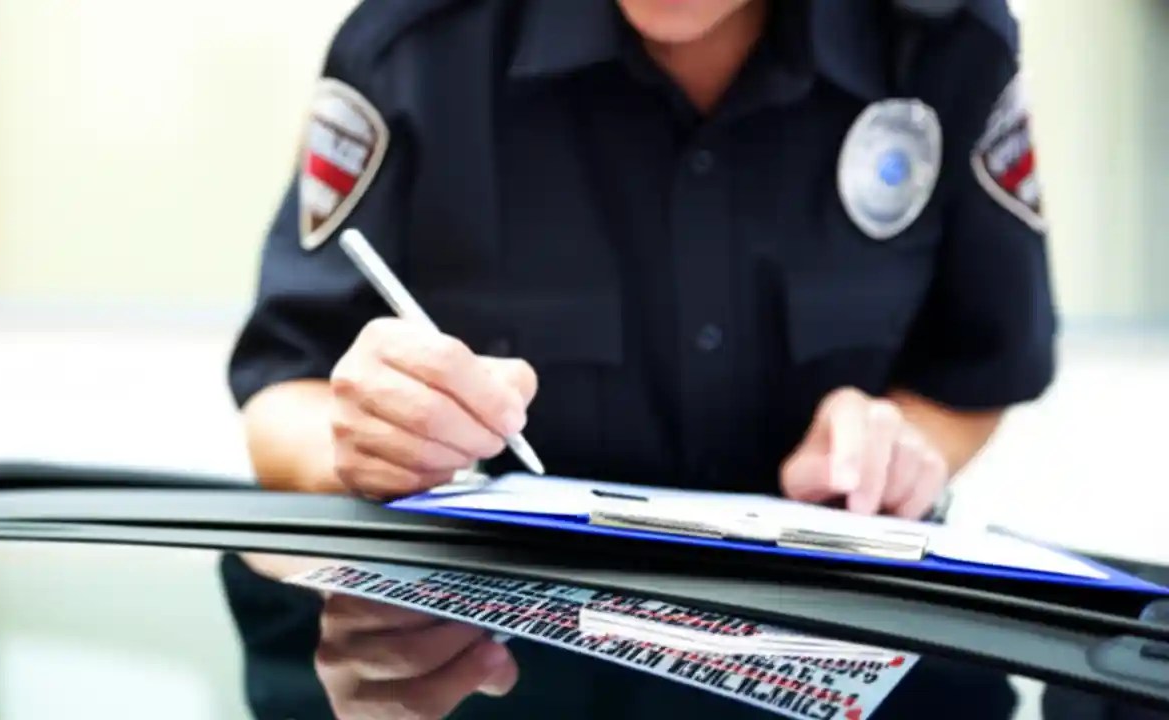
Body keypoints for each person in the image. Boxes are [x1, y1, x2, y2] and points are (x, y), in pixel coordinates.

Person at [225, 0, 1054, 717]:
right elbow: (281, 393)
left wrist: (899, 438)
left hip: (838, 664)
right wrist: (364, 438)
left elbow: (976, 371)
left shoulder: (941, 39)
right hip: (494, 678)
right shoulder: (417, 43)